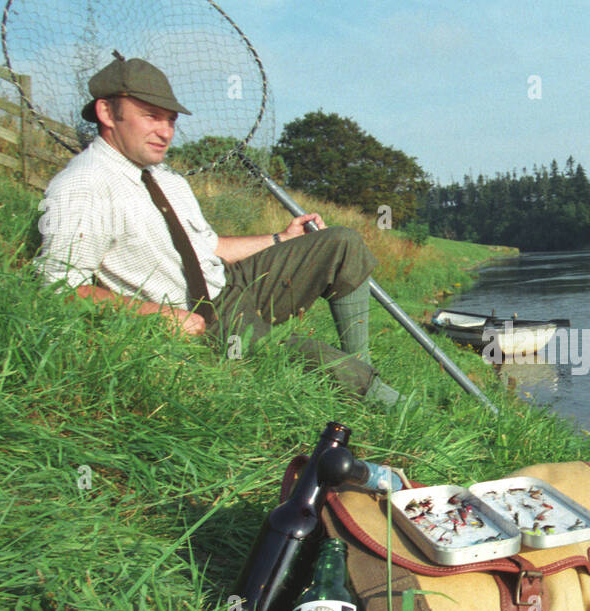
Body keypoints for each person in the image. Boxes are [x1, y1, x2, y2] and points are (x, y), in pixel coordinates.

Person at [34, 54, 398, 404]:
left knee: (341, 242)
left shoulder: (166, 177)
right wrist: (159, 316)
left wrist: (280, 239)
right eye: (151, 117)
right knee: (330, 366)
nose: (165, 132)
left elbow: (208, 247)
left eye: (171, 120)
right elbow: (60, 287)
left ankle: (362, 362)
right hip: (206, 318)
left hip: (233, 282)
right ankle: (395, 408)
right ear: (106, 112)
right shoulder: (82, 186)